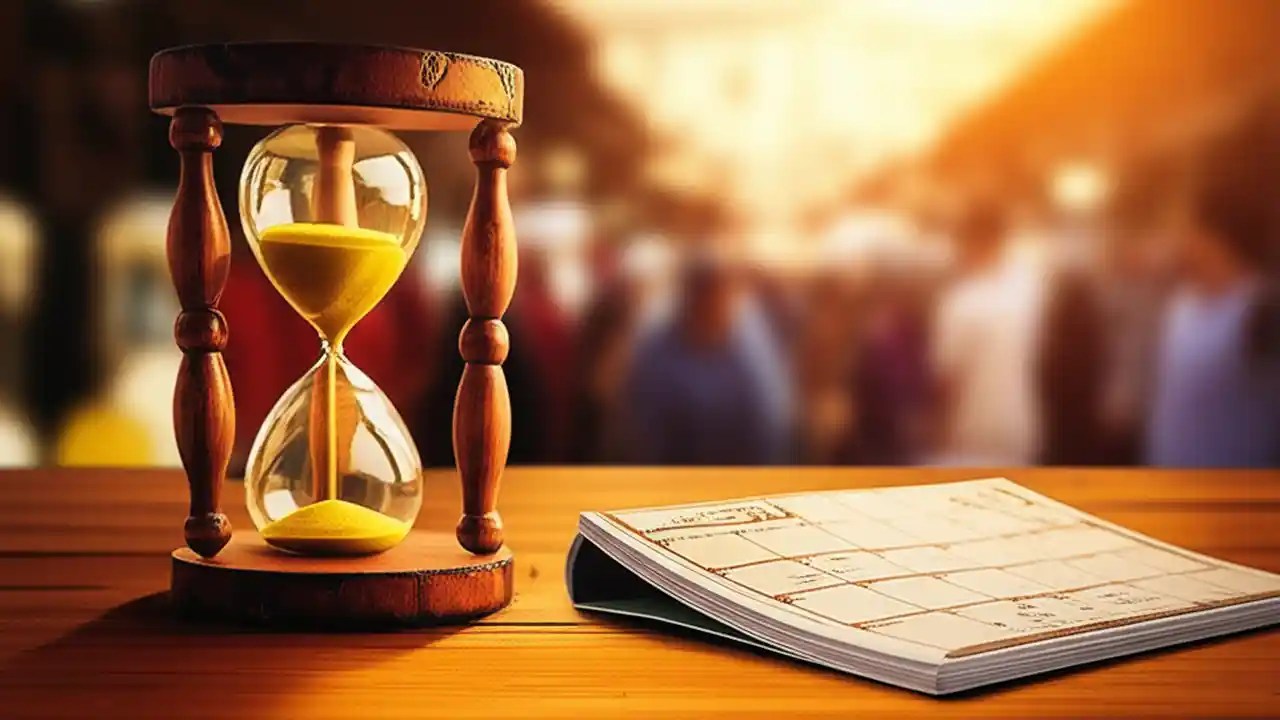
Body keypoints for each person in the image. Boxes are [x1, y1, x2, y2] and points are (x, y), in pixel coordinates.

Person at [1147, 112, 1280, 467]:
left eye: (1189, 229)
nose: (1180, 239)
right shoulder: (1181, 304)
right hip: (1169, 481)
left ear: (1215, 239)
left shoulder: (1259, 311)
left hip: (1235, 492)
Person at [620, 235, 793, 465]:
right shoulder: (660, 344)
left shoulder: (751, 345)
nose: (710, 304)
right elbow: (646, 425)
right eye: (701, 293)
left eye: (717, 293)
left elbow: (769, 423)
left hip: (741, 473)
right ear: (688, 296)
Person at [930, 200, 1045, 465]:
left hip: (971, 433)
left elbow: (949, 381)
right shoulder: (1029, 286)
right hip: (1021, 426)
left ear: (969, 242)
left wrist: (938, 434)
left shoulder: (962, 302)